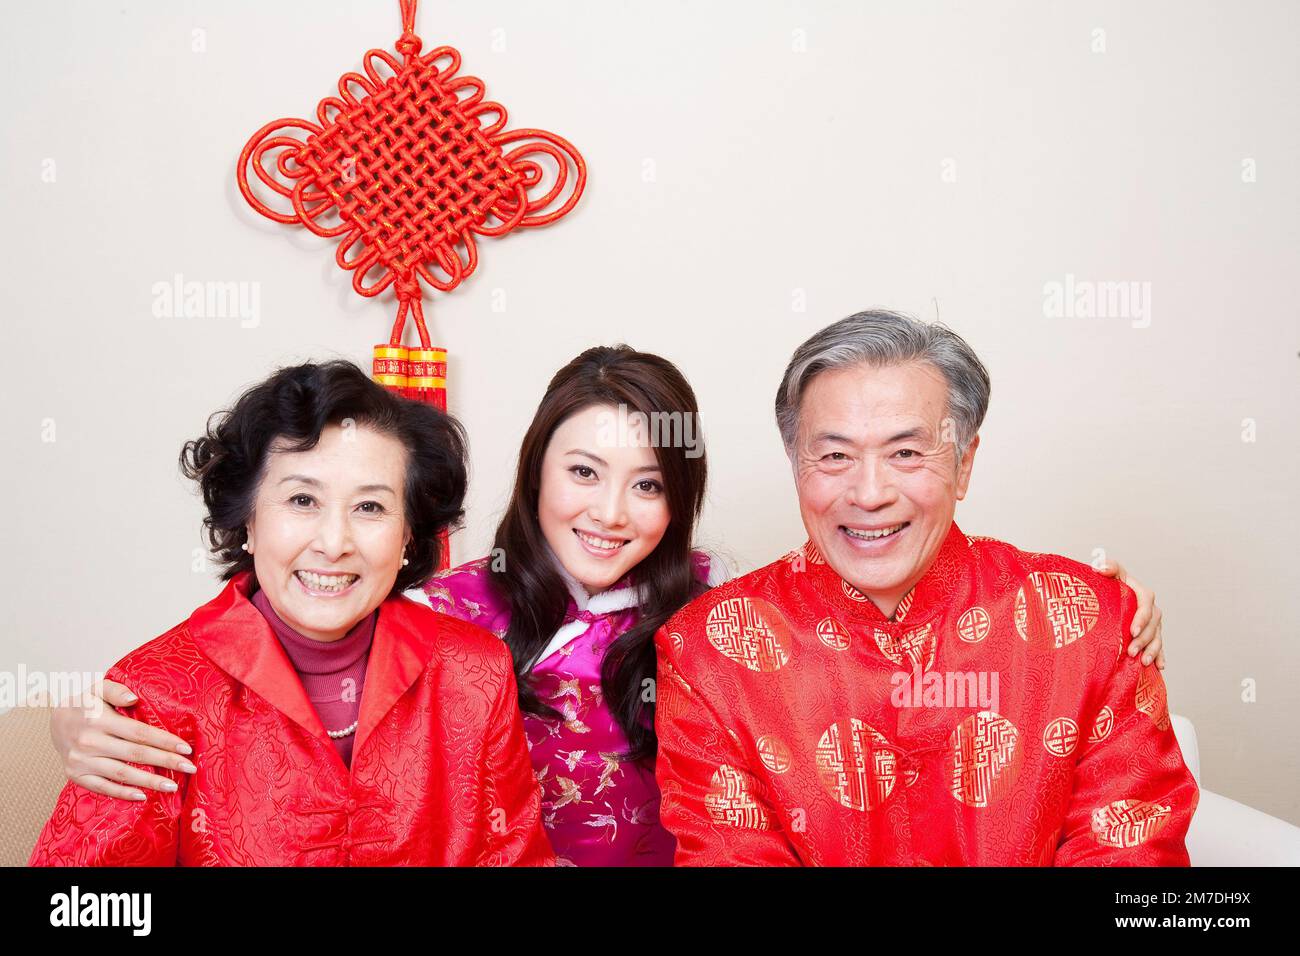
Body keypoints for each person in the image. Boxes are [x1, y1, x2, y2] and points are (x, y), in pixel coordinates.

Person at [653, 310, 1197, 866]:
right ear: (796, 464)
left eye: (906, 453)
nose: (870, 494)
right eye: (835, 455)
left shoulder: (1087, 620)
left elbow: (1132, 849)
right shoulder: (707, 653)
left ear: (964, 463)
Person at [30, 360, 552, 866]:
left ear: (408, 538)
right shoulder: (157, 693)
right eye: (302, 500)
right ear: (248, 522)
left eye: (370, 507)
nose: (333, 542)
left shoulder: (475, 673)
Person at [422, 345, 724, 865]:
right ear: (537, 469)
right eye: (585, 472)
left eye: (647, 485)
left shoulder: (716, 608)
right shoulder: (440, 616)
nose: (610, 513)